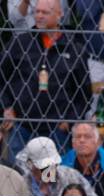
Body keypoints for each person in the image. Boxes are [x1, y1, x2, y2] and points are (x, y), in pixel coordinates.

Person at [0, 0, 91, 156]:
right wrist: (6, 107)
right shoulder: (20, 43)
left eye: (45, 12)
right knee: (21, 176)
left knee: (51, 176)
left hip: (57, 130)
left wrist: (69, 120)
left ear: (59, 15)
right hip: (22, 126)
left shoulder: (74, 48)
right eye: (37, 12)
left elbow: (84, 94)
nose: (39, 16)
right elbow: (1, 77)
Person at [16, 136, 102, 196]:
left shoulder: (72, 176)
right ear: (30, 164)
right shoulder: (19, 185)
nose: (49, 170)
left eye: (53, 164)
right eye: (44, 166)